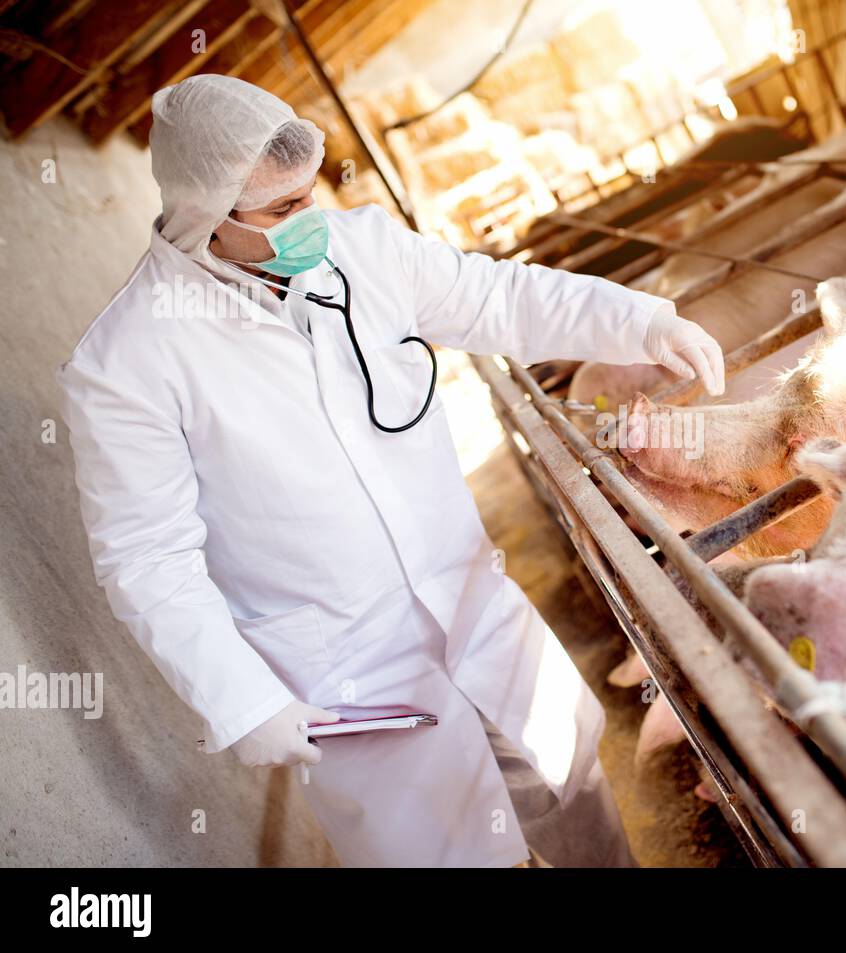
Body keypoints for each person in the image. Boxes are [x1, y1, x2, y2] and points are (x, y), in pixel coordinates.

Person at [57, 74, 724, 867]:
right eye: (281, 210)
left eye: (308, 193)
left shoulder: (363, 247)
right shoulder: (125, 362)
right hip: (348, 673)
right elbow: (147, 557)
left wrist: (638, 322)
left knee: (569, 778)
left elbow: (496, 297)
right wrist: (241, 699)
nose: (312, 221)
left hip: (474, 604)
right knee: (444, 852)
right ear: (205, 215)